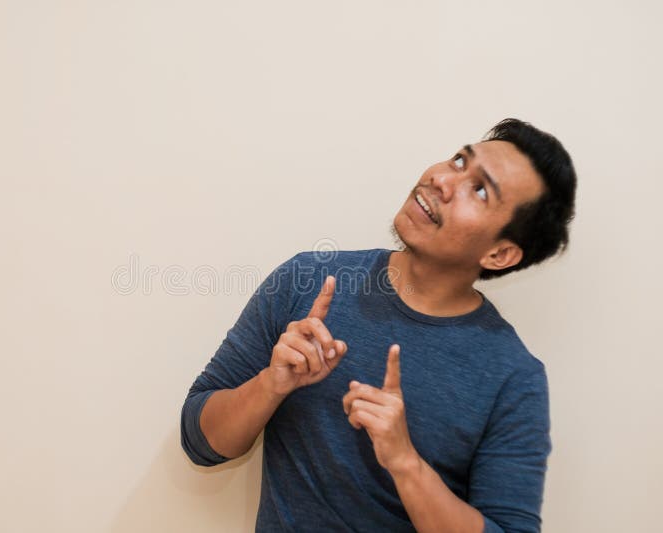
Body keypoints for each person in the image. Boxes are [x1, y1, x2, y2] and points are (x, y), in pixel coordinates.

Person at [181, 118, 577, 532]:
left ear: (500, 254)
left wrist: (405, 463)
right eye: (459, 160)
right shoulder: (307, 280)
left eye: (479, 189)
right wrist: (269, 385)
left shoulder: (514, 377)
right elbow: (199, 441)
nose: (441, 179)